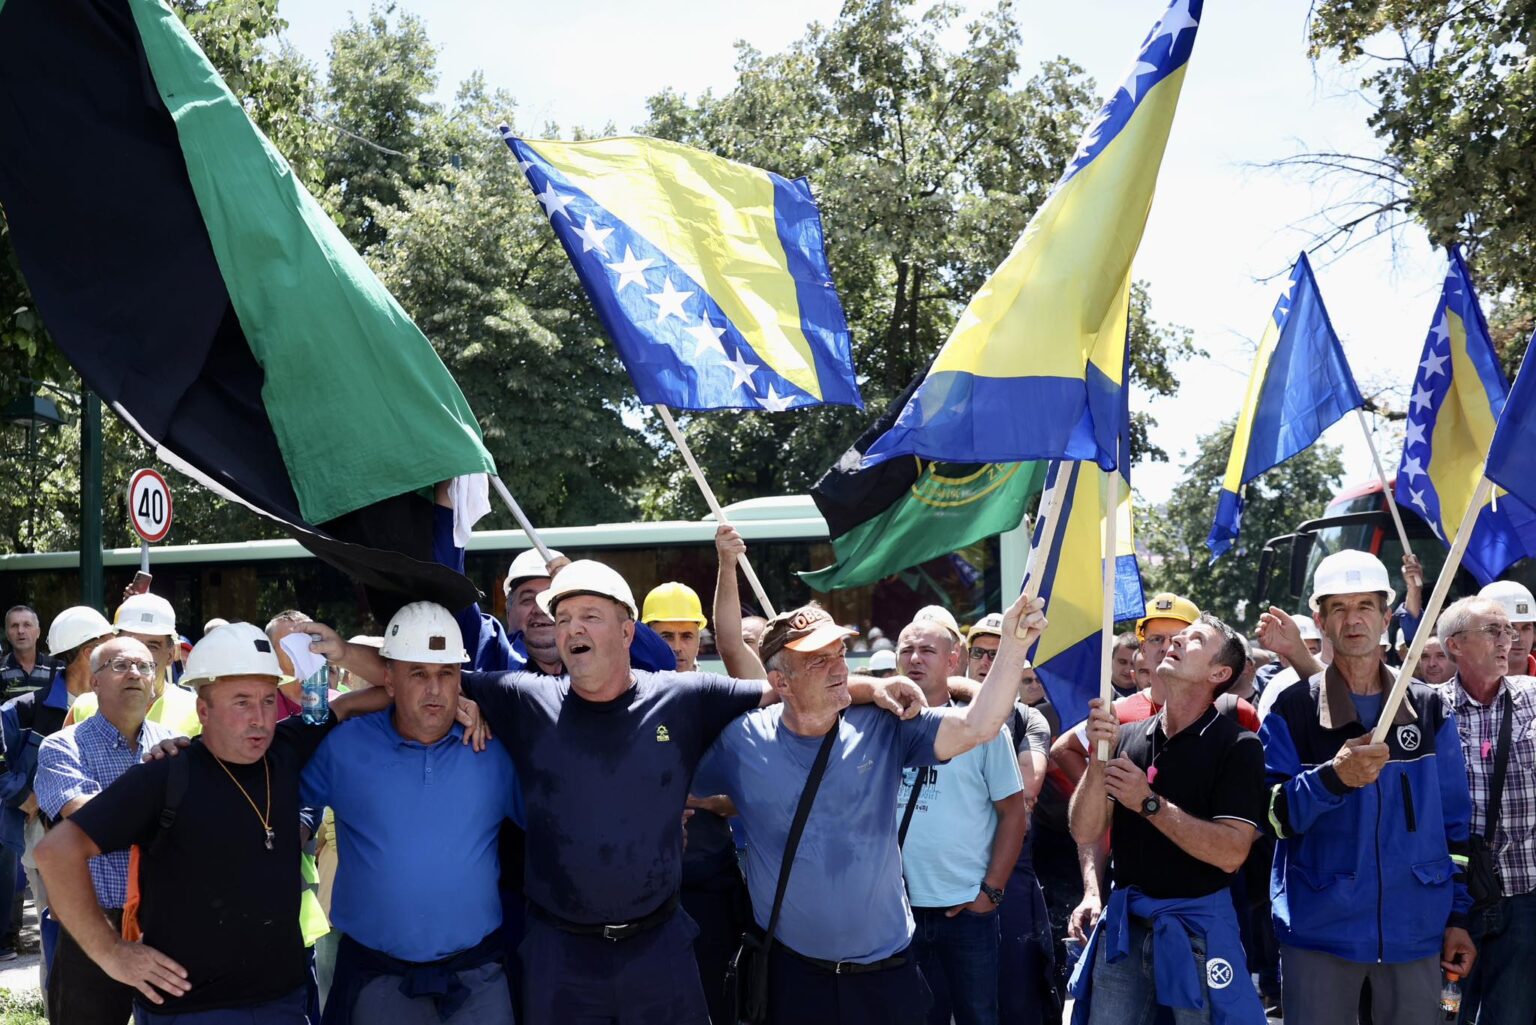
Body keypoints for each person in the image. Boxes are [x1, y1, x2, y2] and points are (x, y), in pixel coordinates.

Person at [309, 558, 922, 1025]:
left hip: (658, 950)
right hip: (557, 955)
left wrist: (871, 685)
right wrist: (341, 654)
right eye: (562, 618)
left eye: (588, 617)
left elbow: (785, 685)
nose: (569, 629)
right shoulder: (526, 698)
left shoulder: (681, 697)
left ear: (627, 632)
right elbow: (422, 673)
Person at [691, 591, 1045, 1025]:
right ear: (780, 682)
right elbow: (673, 786)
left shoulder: (884, 723)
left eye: (839, 653)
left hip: (887, 976)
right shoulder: (742, 741)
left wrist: (1013, 645)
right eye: (818, 661)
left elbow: (979, 725)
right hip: (794, 977)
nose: (839, 667)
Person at [33, 622, 394, 1024]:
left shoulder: (287, 747)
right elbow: (55, 852)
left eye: (268, 700)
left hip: (283, 1004)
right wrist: (111, 953)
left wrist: (342, 653)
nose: (259, 719)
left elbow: (388, 689)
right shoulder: (165, 775)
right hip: (192, 1012)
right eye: (241, 702)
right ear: (203, 710)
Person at [1260, 549, 1475, 1024]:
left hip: (1415, 934)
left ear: (1387, 617)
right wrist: (1332, 779)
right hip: (1319, 934)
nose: (1353, 620)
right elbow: (1272, 816)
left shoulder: (1428, 709)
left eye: (1365, 606)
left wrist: (1458, 917)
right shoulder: (1291, 710)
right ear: (1321, 619)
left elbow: (1456, 829)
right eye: (1339, 607)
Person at [302, 602, 521, 1025]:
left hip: (478, 981)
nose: (435, 689)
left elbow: (550, 823)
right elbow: (280, 797)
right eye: (418, 674)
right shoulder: (344, 748)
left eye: (446, 674)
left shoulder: (492, 747)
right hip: (379, 980)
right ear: (388, 678)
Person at [1067, 614, 1268, 1023]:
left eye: (1195, 639)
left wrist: (1147, 802)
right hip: (1124, 926)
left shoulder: (1239, 746)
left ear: (1220, 672)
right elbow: (1085, 829)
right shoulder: (1126, 736)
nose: (1177, 639)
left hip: (1197, 931)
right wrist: (1095, 758)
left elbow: (1230, 853)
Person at [34, 635, 175, 1024]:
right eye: (119, 665)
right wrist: (164, 817)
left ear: (155, 680)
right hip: (93, 922)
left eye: (144, 666)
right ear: (94, 682)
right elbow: (86, 819)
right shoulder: (63, 748)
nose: (134, 673)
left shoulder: (173, 746)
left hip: (166, 920)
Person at [895, 612, 1027, 1025]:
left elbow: (1013, 813)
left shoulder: (985, 731)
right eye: (907, 649)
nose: (915, 659)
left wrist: (990, 895)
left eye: (927, 650)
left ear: (954, 661)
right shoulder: (876, 724)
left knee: (978, 1017)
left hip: (966, 913)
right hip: (896, 914)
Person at [1433, 596, 1536, 1023]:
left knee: (1511, 1016)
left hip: (1525, 895)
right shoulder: (1426, 710)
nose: (1508, 641)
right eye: (1494, 631)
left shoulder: (1533, 698)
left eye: (1510, 631)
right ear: (1455, 645)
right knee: (1445, 1014)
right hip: (1452, 901)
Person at [1, 605, 116, 978]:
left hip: (110, 847)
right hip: (49, 847)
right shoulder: (27, 709)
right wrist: (23, 795)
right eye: (107, 645)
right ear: (87, 652)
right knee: (63, 947)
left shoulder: (115, 704)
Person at [962, 612, 1059, 1023]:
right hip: (944, 872)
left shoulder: (1027, 718)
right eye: (980, 652)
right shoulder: (943, 713)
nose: (988, 661)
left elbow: (1027, 786)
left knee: (1017, 996)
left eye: (999, 652)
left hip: (1010, 872)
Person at [68, 592, 201, 736]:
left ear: (170, 655)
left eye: (152, 646)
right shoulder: (83, 707)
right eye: (131, 643)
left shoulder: (196, 711)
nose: (140, 654)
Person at [642, 581, 709, 673]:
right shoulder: (627, 685)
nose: (677, 648)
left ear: (698, 641)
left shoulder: (714, 686)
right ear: (647, 641)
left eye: (686, 636)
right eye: (666, 637)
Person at [1478, 580, 1536, 675]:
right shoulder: (1462, 681)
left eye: (1526, 628)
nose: (1519, 637)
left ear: (1534, 634)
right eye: (1509, 628)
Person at [3, 605, 60, 702]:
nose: (20, 631)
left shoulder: (58, 669)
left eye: (27, 625)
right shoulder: (1, 670)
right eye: (14, 626)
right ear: (7, 634)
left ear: (38, 632)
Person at [1110, 633, 1139, 699]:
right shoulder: (1099, 690)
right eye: (1122, 662)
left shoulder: (1149, 695)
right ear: (1111, 658)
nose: (1127, 670)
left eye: (1133, 664)